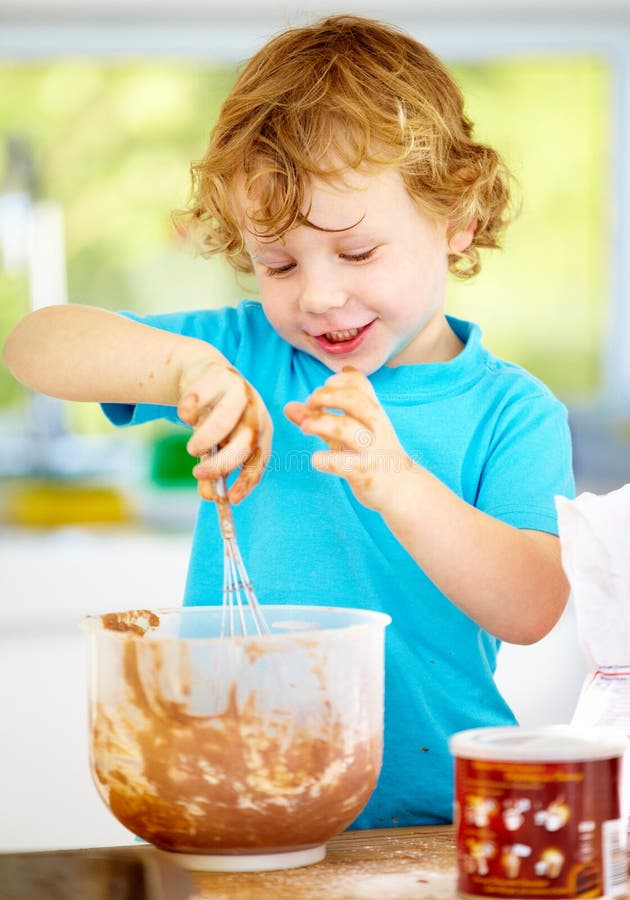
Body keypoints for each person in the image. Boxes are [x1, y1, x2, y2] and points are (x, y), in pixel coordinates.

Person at [3, 14, 574, 828]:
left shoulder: (511, 414)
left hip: (430, 819)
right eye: (277, 262)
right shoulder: (244, 355)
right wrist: (187, 369)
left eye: (358, 253)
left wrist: (400, 483)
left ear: (457, 221)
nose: (317, 296)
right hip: (232, 804)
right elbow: (36, 345)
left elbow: (532, 608)